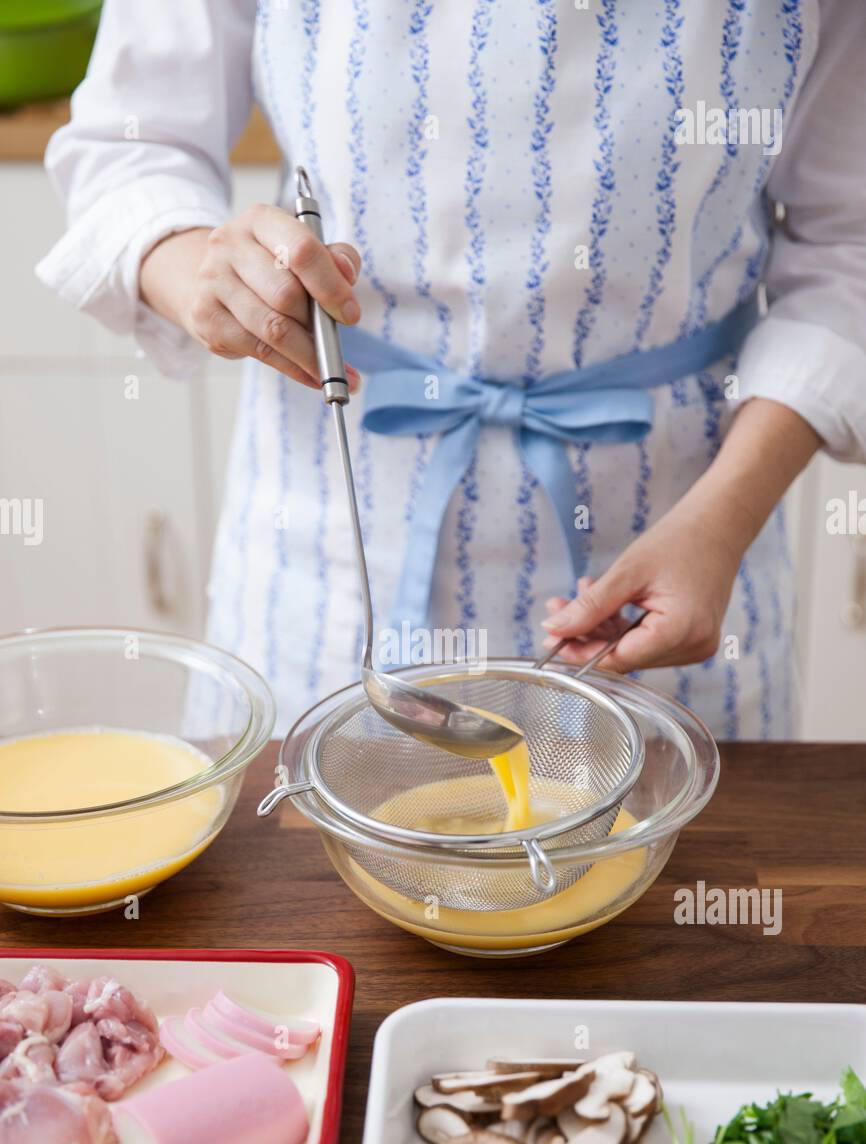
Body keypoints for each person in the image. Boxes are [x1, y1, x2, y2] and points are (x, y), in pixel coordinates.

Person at [37, 0, 866, 737]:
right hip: (325, 566)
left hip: (690, 536)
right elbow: (129, 147)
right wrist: (200, 269)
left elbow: (849, 245)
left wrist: (721, 523)